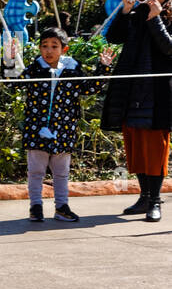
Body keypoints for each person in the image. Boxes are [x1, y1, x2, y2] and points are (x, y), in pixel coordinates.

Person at [20, 27, 112, 223]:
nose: (49, 50)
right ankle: (35, 207)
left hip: (64, 129)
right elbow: (13, 82)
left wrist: (103, 67)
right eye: (44, 46)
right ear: (39, 48)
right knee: (36, 171)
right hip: (36, 128)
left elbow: (90, 88)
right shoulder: (34, 68)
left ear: (65, 49)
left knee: (61, 173)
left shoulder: (72, 68)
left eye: (54, 46)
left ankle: (62, 207)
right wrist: (10, 60)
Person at [102, 0, 172, 222]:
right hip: (131, 88)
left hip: (159, 92)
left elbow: (169, 49)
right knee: (135, 148)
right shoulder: (137, 12)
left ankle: (155, 201)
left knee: (155, 149)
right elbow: (113, 36)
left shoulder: (167, 15)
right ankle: (144, 197)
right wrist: (126, 8)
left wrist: (156, 18)